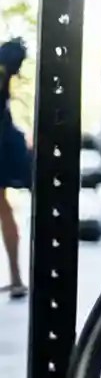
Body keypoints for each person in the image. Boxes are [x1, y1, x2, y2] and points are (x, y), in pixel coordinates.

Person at [0, 37, 29, 300]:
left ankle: (17, 278)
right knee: (3, 207)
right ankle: (16, 277)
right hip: (6, 140)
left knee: (3, 207)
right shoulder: (4, 66)